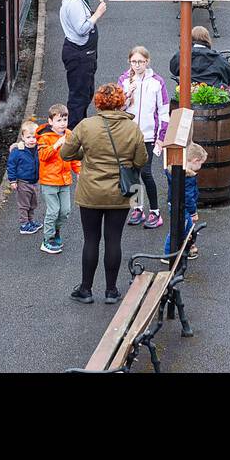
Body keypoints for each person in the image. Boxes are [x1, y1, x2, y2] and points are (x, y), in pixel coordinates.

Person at [61, 84, 148, 305]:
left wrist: (86, 153)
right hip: (120, 193)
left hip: (91, 193)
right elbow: (140, 161)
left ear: (97, 102)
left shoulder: (86, 126)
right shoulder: (132, 128)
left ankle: (86, 289)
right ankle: (111, 291)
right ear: (121, 102)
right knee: (114, 240)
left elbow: (66, 153)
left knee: (91, 240)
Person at [169, 25, 230, 158]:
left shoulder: (183, 54)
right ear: (207, 40)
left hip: (190, 92)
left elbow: (173, 69)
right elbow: (228, 78)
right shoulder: (217, 58)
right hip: (213, 94)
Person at [119, 46, 169, 229]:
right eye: (134, 61)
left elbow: (164, 111)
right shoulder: (124, 80)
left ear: (147, 62)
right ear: (129, 62)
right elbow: (118, 108)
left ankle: (155, 211)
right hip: (129, 136)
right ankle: (137, 207)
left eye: (140, 61)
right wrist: (127, 94)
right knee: (131, 173)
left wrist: (161, 137)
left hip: (148, 136)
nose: (137, 65)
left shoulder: (157, 82)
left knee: (146, 173)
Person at [60, 0, 106, 128]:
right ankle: (75, 133)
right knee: (79, 98)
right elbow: (81, 29)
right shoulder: (74, 2)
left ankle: (79, 130)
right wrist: (97, 14)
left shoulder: (79, 0)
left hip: (84, 55)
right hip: (79, 56)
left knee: (85, 95)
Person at [36, 104, 80, 254]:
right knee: (53, 211)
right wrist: (55, 145)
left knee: (65, 211)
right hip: (49, 181)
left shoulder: (69, 135)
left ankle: (55, 232)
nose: (62, 123)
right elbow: (42, 156)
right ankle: (47, 240)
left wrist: (78, 171)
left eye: (65, 119)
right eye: (59, 120)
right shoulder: (44, 137)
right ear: (50, 121)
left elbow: (73, 156)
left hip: (65, 180)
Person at [160, 140, 206, 258]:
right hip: (184, 208)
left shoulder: (173, 170)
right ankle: (169, 254)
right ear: (195, 160)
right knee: (178, 230)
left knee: (187, 228)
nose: (200, 167)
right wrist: (193, 212)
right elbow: (188, 197)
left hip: (175, 203)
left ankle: (186, 248)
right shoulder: (188, 177)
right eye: (201, 163)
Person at [6, 120, 42, 235]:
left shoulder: (38, 149)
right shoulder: (17, 151)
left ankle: (31, 221)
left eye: (34, 137)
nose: (32, 140)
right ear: (23, 137)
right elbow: (11, 166)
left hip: (35, 182)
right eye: (29, 137)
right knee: (24, 205)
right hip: (23, 182)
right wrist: (12, 180)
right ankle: (24, 224)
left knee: (33, 203)